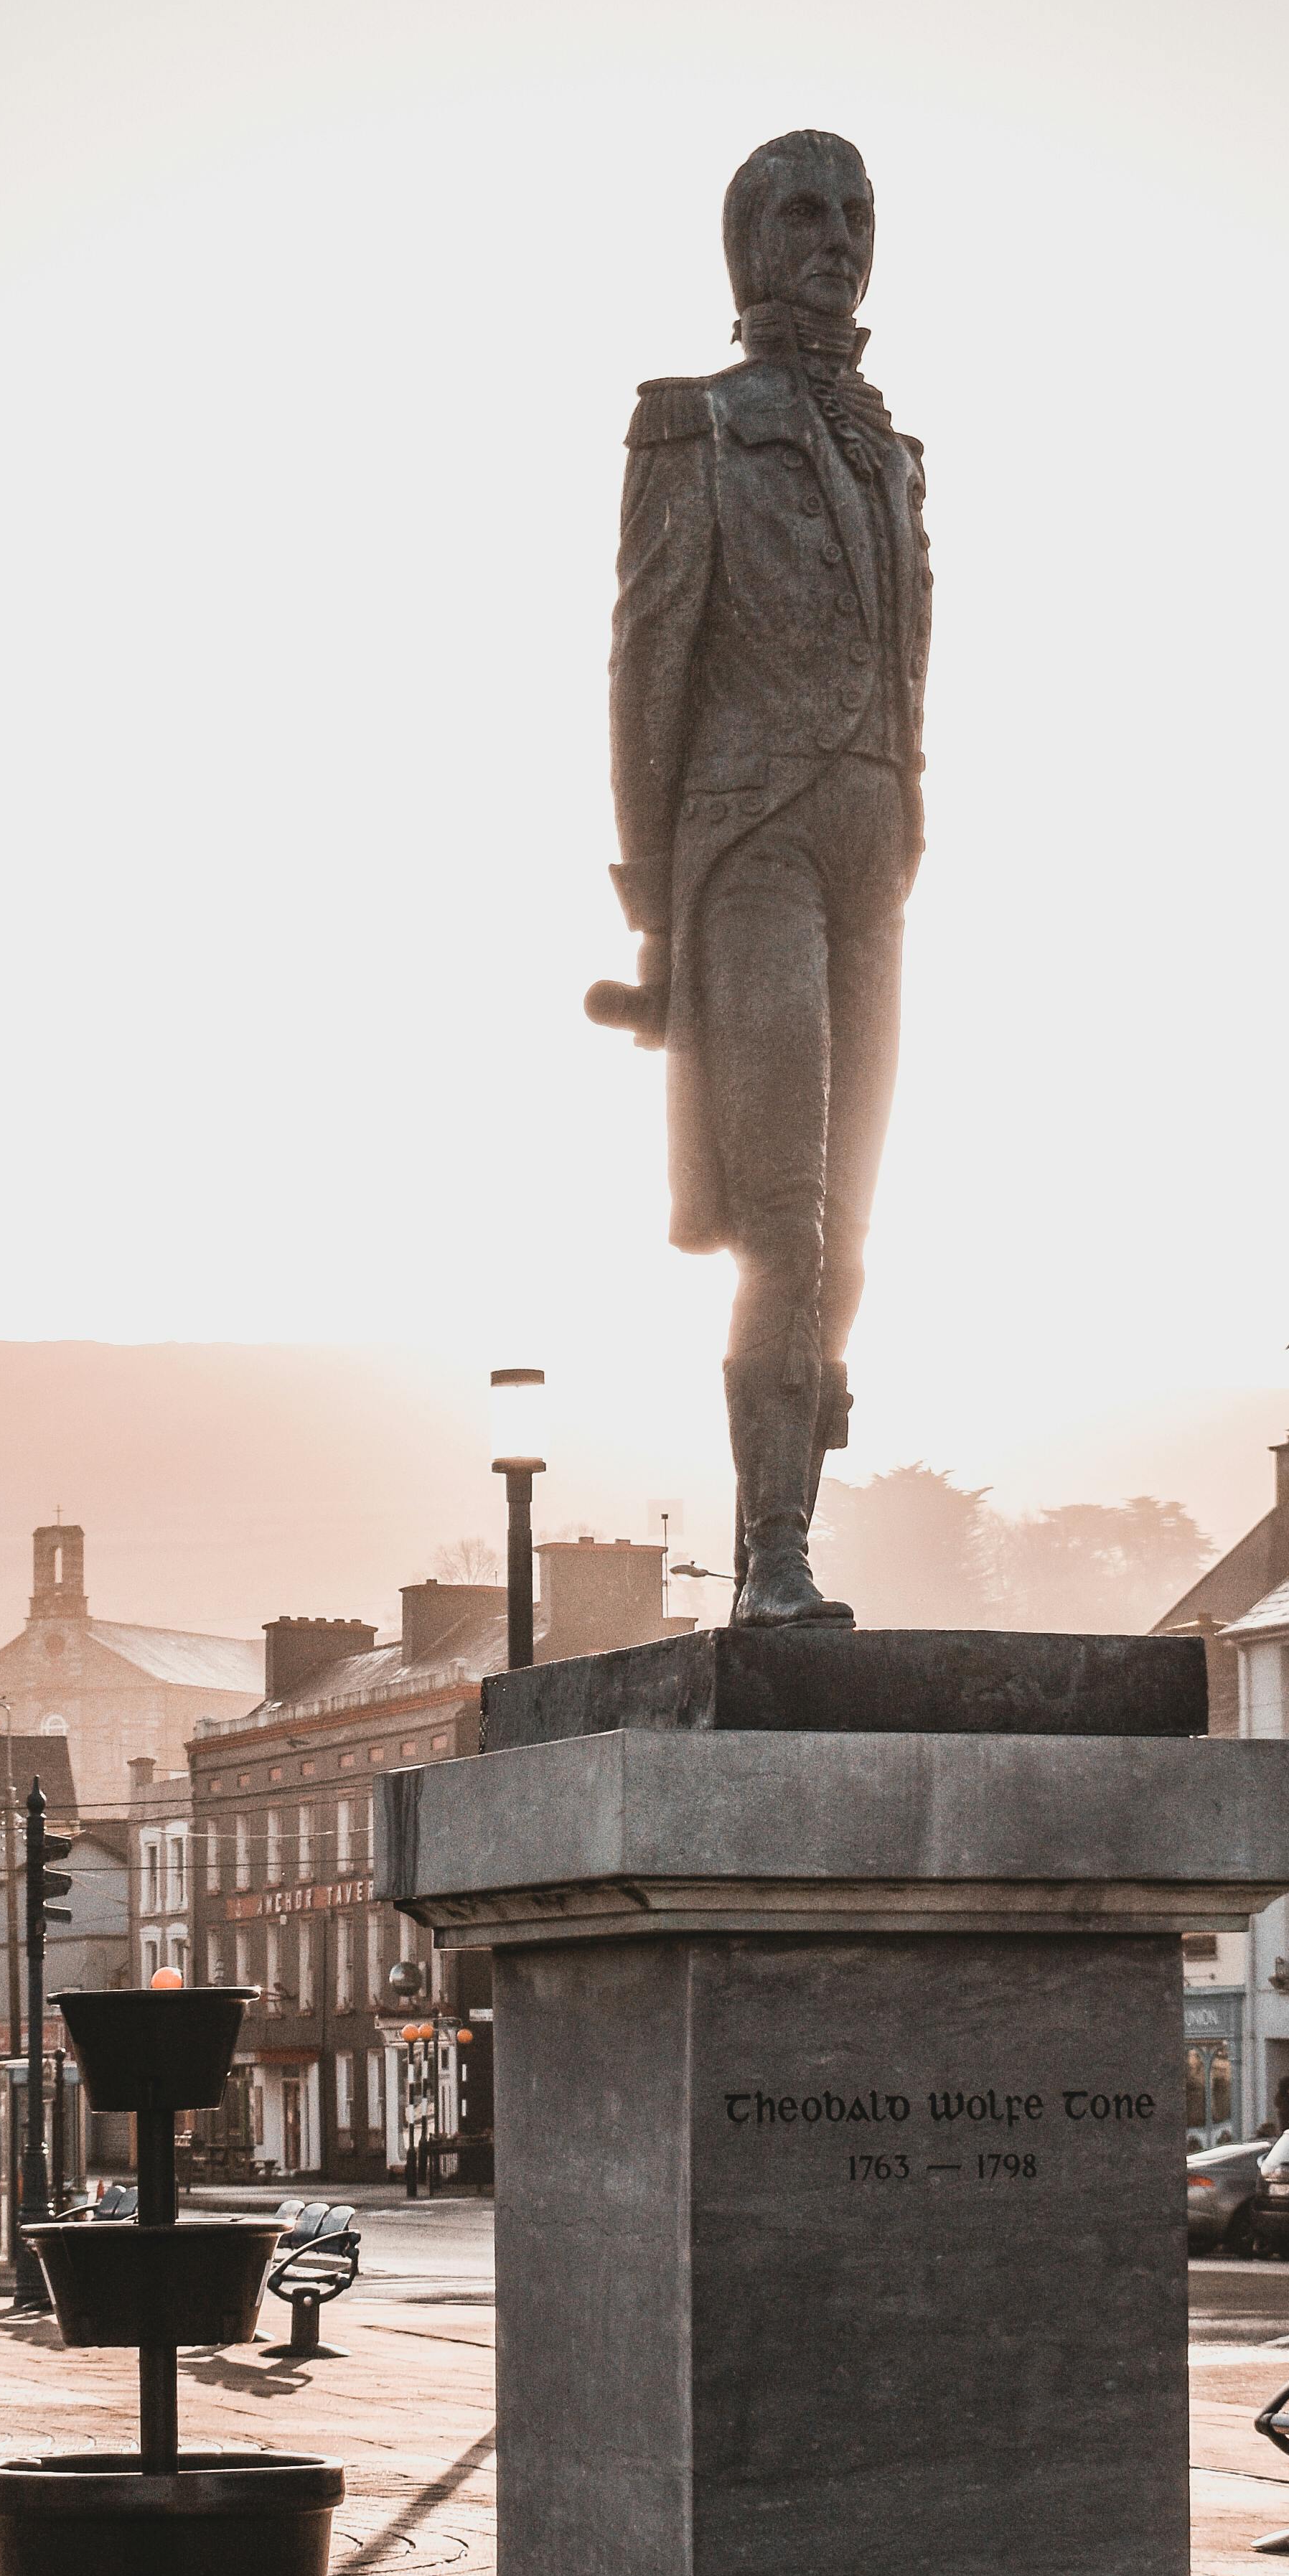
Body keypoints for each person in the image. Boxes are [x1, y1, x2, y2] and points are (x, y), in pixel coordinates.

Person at [586, 130, 933, 1626]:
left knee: (849, 1218)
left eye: (855, 213)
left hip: (873, 844)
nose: (835, 237)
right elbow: (644, 670)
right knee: (780, 1204)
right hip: (748, 835)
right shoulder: (696, 427)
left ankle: (792, 1508)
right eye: (803, 211)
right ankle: (770, 1557)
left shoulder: (892, 448)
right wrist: (655, 918)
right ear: (743, 240)